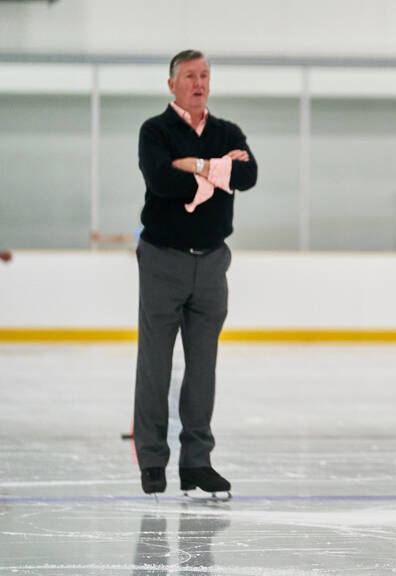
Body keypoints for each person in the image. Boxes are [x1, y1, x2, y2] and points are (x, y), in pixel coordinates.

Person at [134, 49, 257, 498]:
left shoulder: (226, 131)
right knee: (155, 364)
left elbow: (249, 176)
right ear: (172, 85)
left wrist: (199, 166)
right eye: (189, 75)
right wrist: (220, 170)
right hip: (163, 259)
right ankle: (151, 460)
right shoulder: (156, 131)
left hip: (211, 261)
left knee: (203, 365)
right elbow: (163, 182)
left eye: (204, 75)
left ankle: (196, 462)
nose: (199, 82)